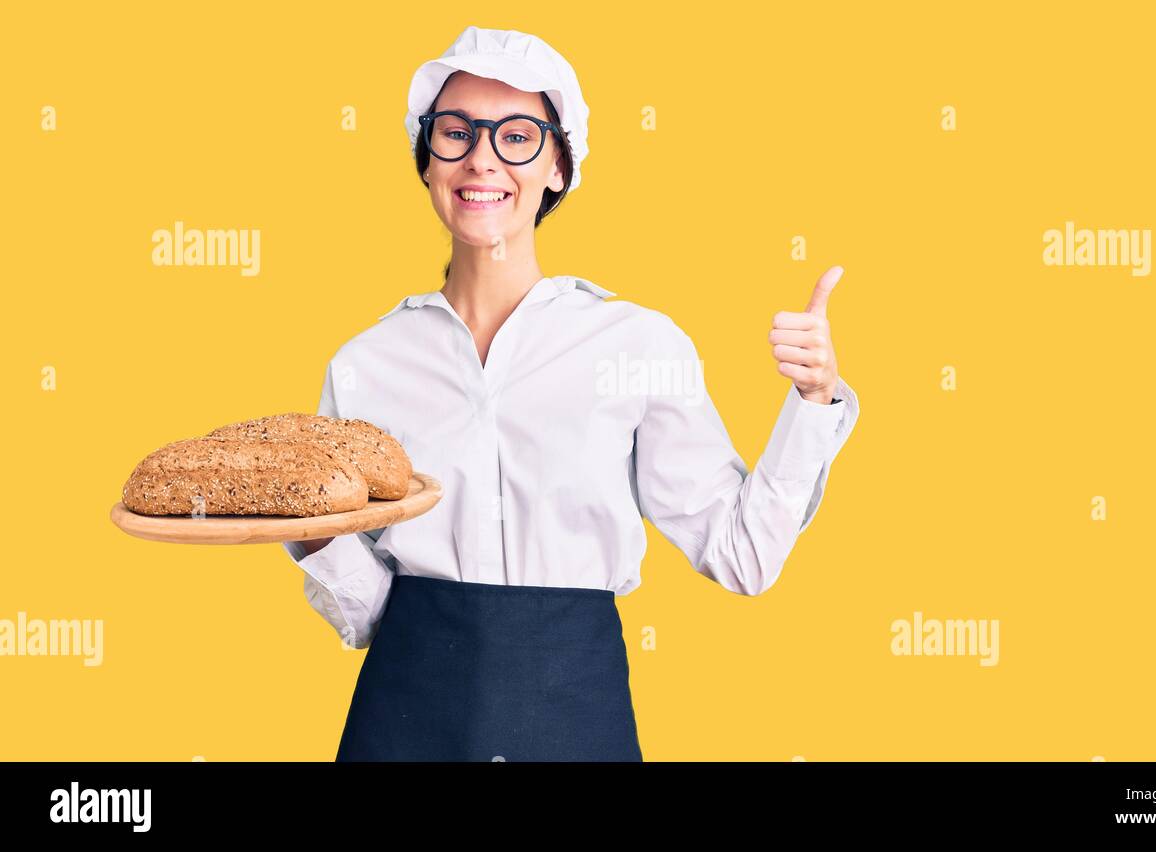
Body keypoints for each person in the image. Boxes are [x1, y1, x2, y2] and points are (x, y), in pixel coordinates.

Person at [282, 25, 860, 762]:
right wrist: (311, 532)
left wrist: (814, 401)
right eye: (455, 133)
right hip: (403, 722)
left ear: (559, 164)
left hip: (574, 723)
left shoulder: (637, 346)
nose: (482, 157)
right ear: (427, 158)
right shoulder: (366, 364)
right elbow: (370, 617)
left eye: (517, 136)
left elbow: (742, 555)